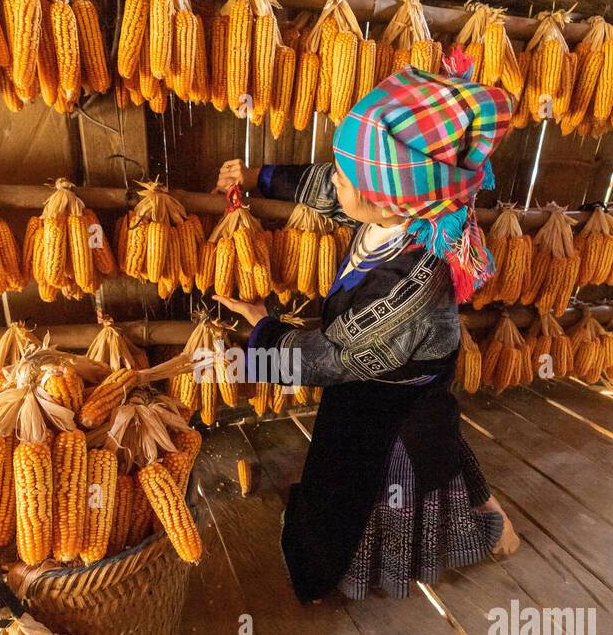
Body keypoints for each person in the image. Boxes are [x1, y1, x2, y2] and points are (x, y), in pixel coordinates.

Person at [213, 48, 521, 604]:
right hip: (396, 366)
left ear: (387, 202)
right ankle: (487, 508)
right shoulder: (401, 206)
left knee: (369, 476)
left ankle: (368, 554)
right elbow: (332, 190)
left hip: (389, 389)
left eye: (350, 176)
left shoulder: (408, 282)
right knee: (439, 442)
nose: (339, 182)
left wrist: (265, 332)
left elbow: (333, 358)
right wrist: (258, 178)